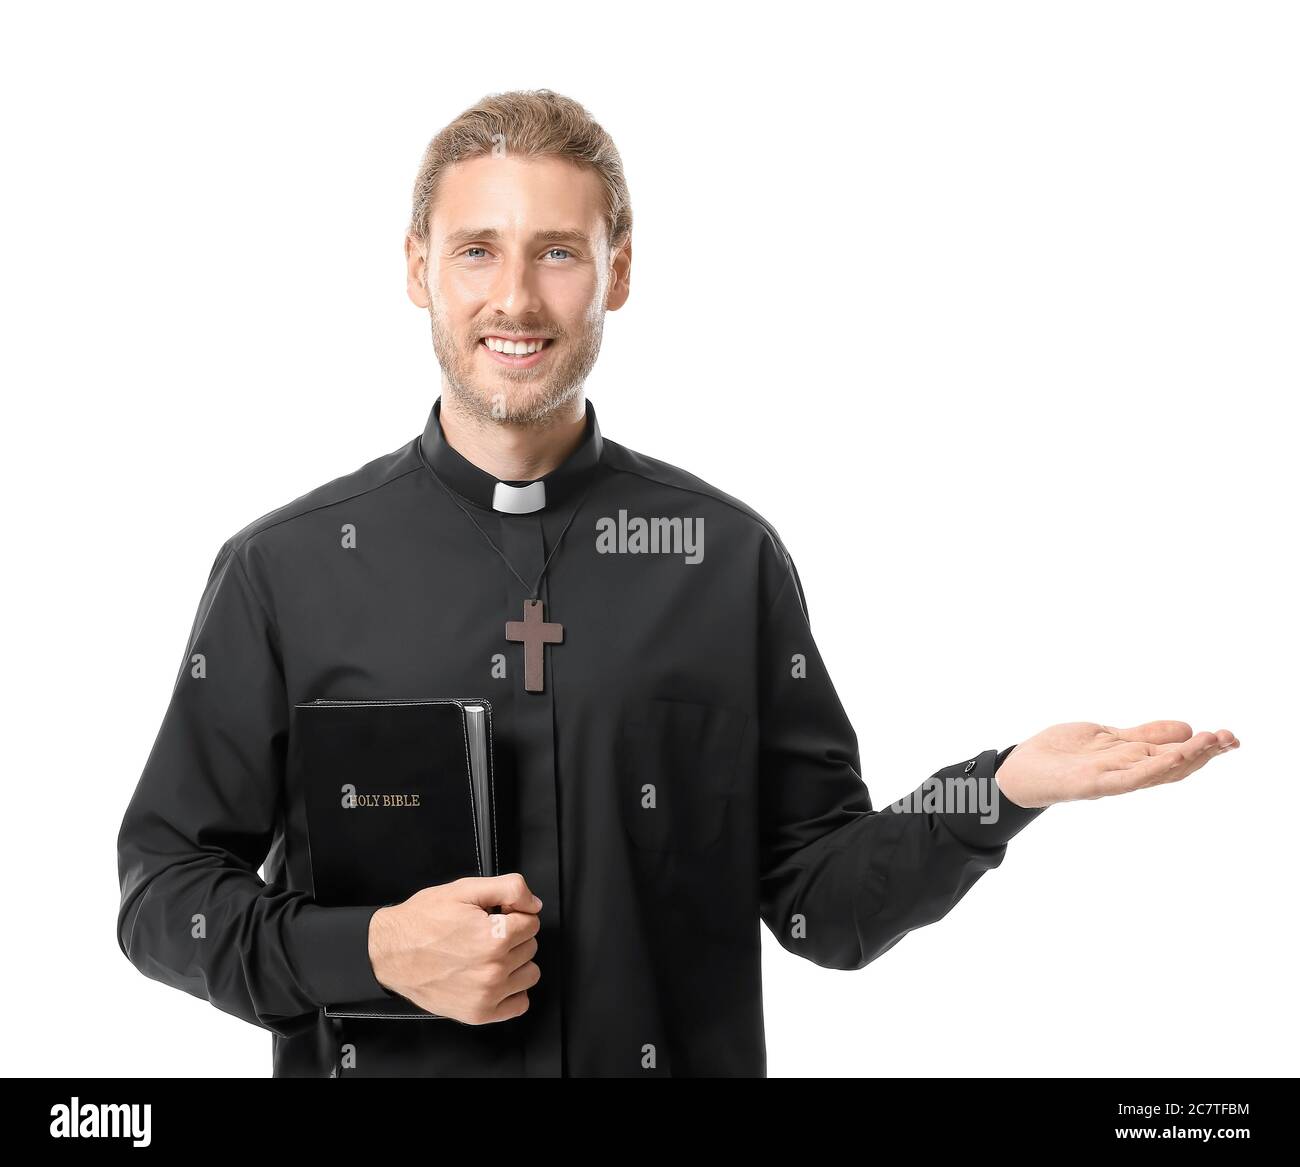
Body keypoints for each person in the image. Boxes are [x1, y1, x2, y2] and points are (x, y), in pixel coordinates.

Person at [115, 88, 1240, 1078]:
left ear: (619, 270)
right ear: (417, 268)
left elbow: (821, 895)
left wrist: (995, 787)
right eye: (476, 250)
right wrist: (366, 952)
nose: (515, 298)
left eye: (558, 251)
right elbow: (160, 893)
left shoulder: (723, 559)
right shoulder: (284, 571)